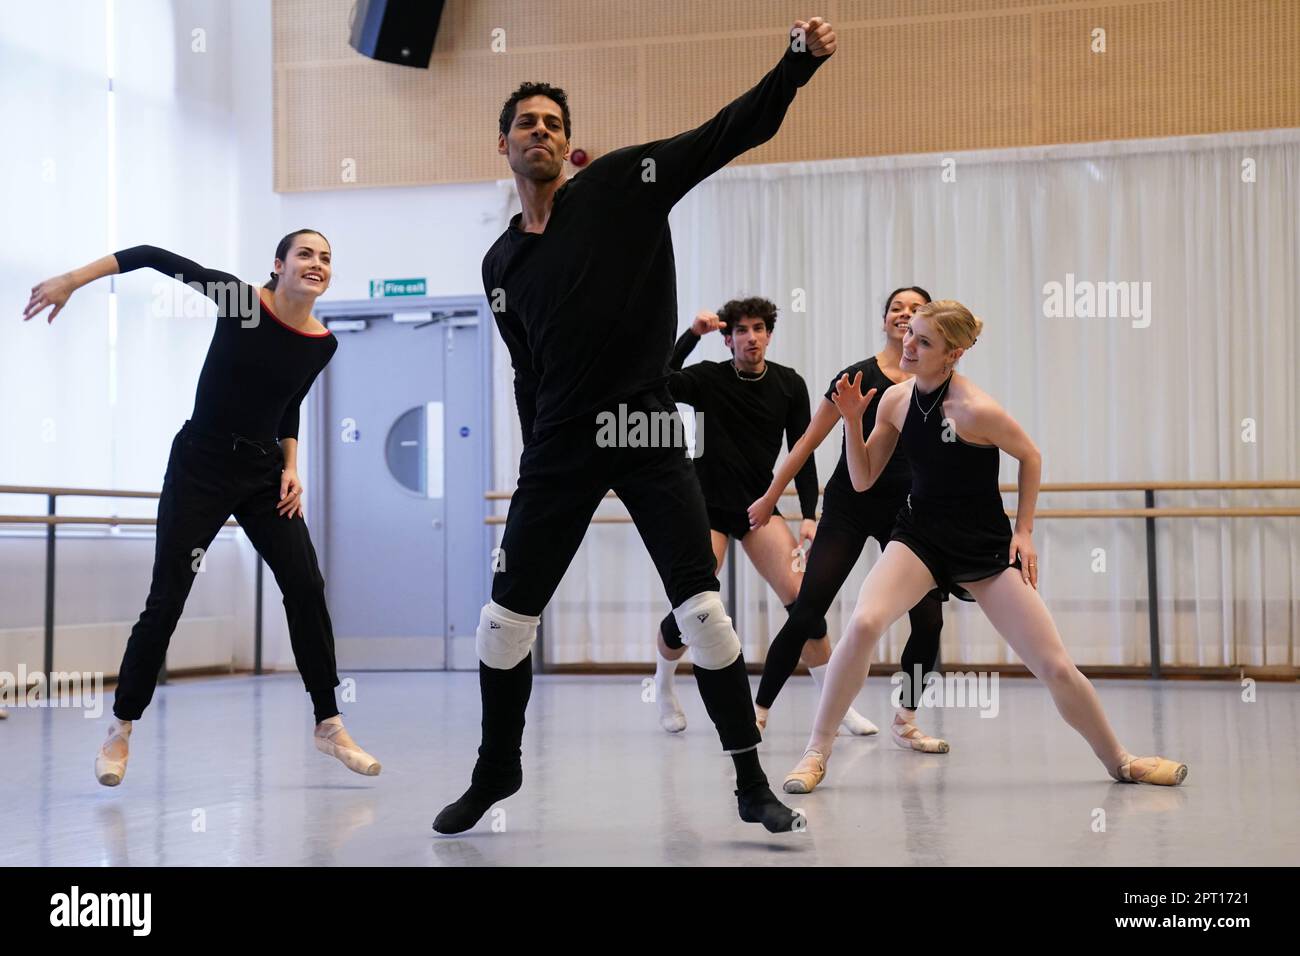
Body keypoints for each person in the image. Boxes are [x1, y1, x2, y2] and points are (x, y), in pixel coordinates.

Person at [433, 19, 838, 836]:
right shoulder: (500, 264)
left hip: (647, 431)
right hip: (559, 446)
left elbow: (731, 130)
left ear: (569, 142)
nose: (539, 131)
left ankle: (749, 782)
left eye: (552, 122)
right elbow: (525, 369)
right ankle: (495, 769)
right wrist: (533, 453)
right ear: (503, 148)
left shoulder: (626, 184)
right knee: (504, 620)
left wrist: (794, 65)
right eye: (525, 123)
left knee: (702, 611)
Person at [782, 300, 1188, 793]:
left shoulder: (976, 410)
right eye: (909, 333)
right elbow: (863, 481)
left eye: (923, 341)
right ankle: (815, 752)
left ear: (952, 355)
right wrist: (851, 421)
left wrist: (1024, 531)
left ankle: (1122, 761)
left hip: (982, 547)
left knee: (1054, 664)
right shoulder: (896, 401)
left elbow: (1031, 456)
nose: (908, 345)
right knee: (865, 622)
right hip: (919, 536)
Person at [23, 231, 381, 786]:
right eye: (305, 254)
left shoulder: (321, 342)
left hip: (264, 475)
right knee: (168, 597)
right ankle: (120, 728)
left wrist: (291, 465)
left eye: (326, 258)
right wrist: (72, 281)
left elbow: (288, 408)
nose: (317, 264)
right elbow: (148, 257)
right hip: (201, 466)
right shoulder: (240, 301)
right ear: (279, 265)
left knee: (306, 586)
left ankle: (328, 722)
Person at [654, 300, 876, 737]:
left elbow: (802, 450)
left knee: (805, 603)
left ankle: (837, 706)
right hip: (706, 506)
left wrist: (810, 514)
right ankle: (662, 689)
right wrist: (691, 335)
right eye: (741, 330)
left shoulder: (789, 384)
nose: (751, 337)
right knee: (692, 603)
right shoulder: (707, 379)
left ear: (769, 335)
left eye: (758, 329)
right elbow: (658, 381)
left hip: (759, 507)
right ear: (728, 338)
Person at [749, 287, 947, 752]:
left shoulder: (938, 383)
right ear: (884, 322)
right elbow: (806, 442)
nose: (905, 315)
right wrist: (770, 497)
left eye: (916, 310)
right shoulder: (857, 376)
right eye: (897, 308)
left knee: (929, 620)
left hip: (908, 513)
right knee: (807, 608)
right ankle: (756, 714)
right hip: (849, 506)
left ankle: (907, 719)